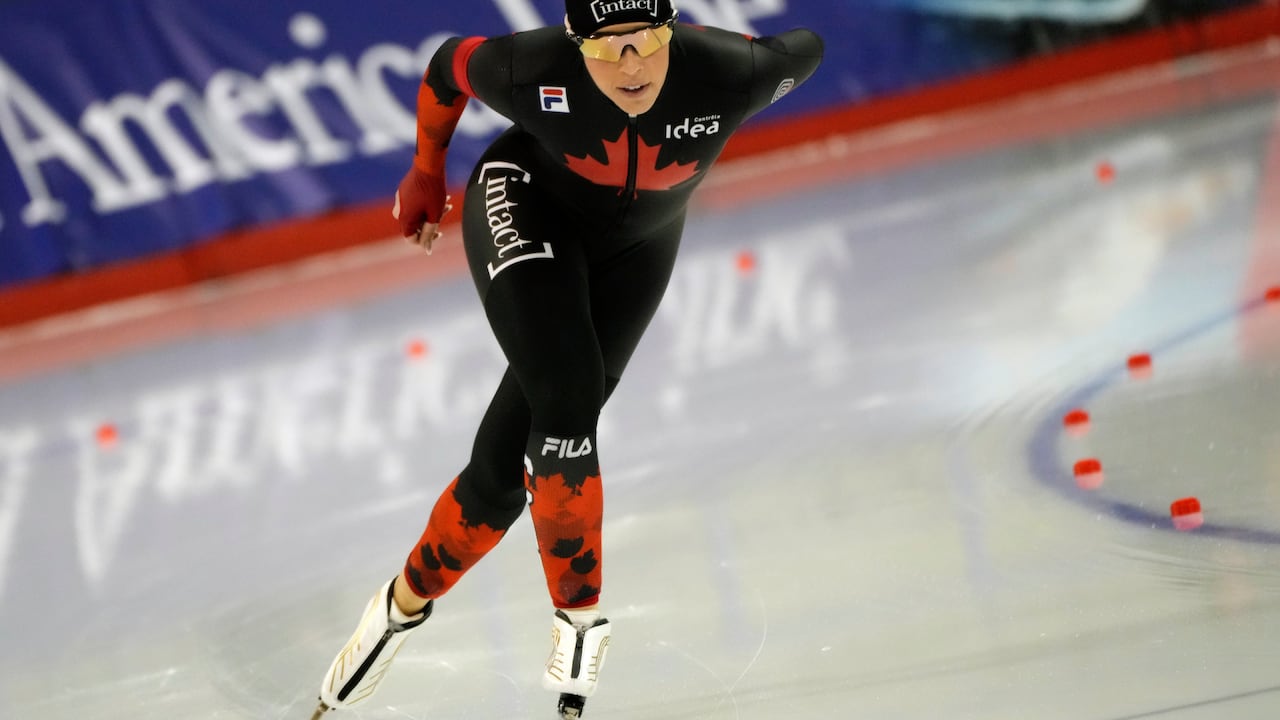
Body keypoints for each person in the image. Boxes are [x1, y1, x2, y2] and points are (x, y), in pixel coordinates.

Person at [312, 2, 822, 717]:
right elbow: (444, 66)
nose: (630, 67)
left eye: (643, 42)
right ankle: (579, 624)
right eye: (606, 50)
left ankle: (397, 608)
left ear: (669, 30)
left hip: (642, 247)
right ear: (575, 47)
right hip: (526, 202)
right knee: (566, 401)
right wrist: (427, 172)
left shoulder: (737, 69)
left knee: (500, 483)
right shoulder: (529, 67)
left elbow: (809, 45)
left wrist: (725, 47)